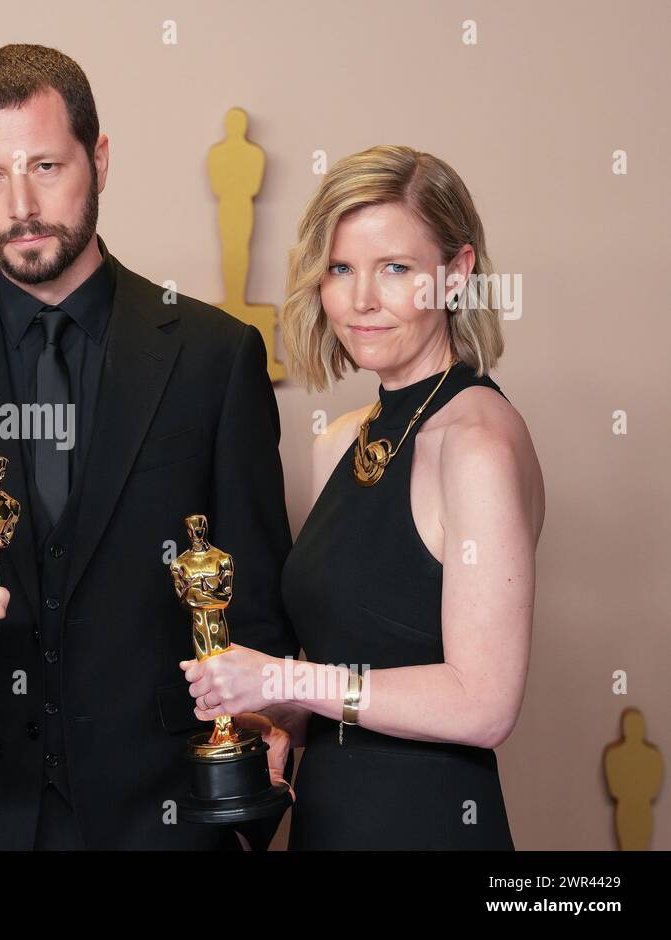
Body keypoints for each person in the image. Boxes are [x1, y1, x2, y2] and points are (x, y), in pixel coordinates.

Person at [0, 44, 297, 850]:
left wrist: (262, 732)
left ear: (100, 158)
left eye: (45, 165)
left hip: (163, 815)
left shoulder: (215, 356)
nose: (21, 204)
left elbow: (253, 593)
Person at [181, 145, 545, 849]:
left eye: (396, 270)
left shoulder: (478, 442)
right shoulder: (341, 441)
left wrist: (287, 679)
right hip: (328, 817)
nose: (361, 300)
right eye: (341, 269)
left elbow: (485, 704)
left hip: (431, 823)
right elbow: (352, 657)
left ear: (456, 273)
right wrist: (284, 717)